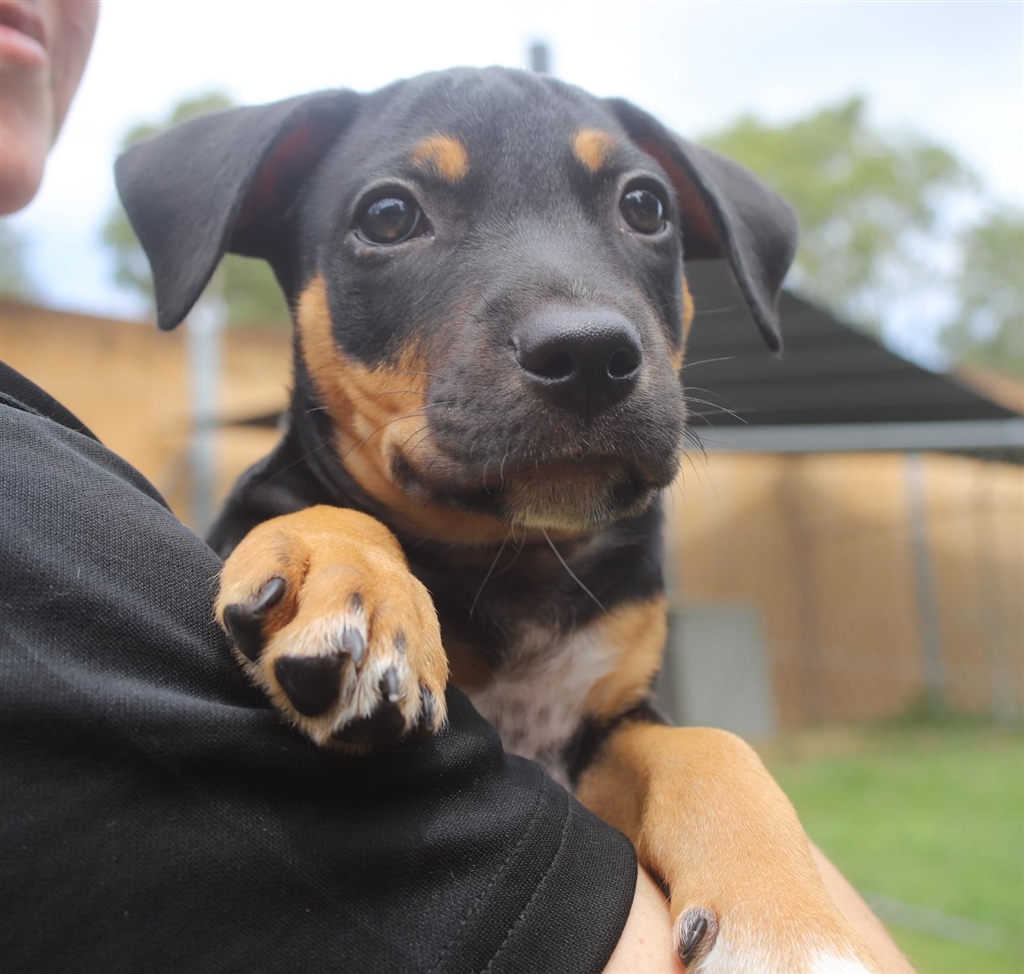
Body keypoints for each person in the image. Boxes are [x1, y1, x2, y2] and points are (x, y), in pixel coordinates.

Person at [0, 4, 913, 972]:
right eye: (392, 216)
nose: (582, 323)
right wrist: (343, 544)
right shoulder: (273, 562)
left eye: (638, 209)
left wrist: (724, 804)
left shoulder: (621, 591)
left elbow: (599, 754)